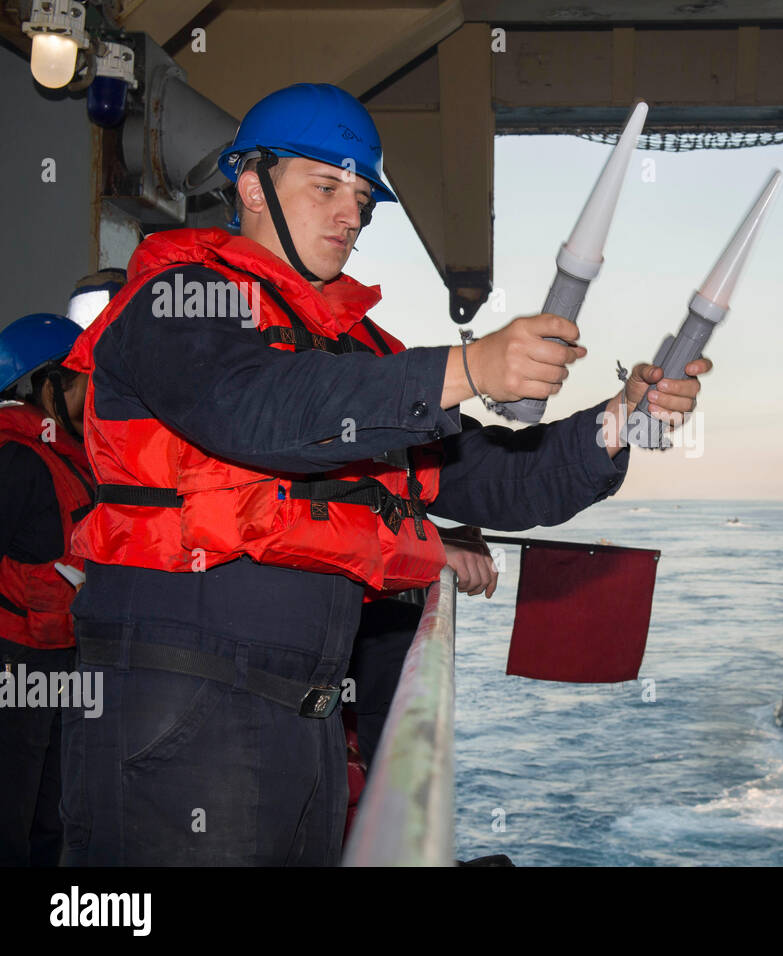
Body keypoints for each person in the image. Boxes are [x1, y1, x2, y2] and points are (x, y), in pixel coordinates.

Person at [61, 83, 711, 865]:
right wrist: (470, 367)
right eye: (326, 185)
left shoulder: (357, 351)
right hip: (180, 709)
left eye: (363, 197)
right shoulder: (175, 301)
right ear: (250, 185)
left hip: (308, 722)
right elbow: (257, 409)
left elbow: (494, 478)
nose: (350, 214)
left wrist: (621, 418)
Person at [0, 312, 95, 866]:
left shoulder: (64, 454)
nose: (93, 397)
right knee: (11, 808)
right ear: (48, 385)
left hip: (59, 656)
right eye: (83, 383)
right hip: (16, 661)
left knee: (51, 810)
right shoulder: (16, 459)